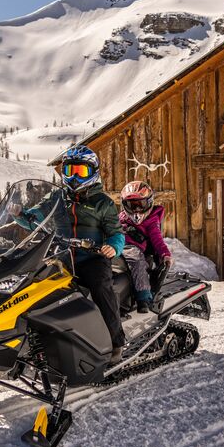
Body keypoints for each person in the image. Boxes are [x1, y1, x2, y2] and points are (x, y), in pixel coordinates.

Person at [55, 146, 127, 362]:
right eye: (70, 170)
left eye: (81, 171)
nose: (75, 177)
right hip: (61, 258)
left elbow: (116, 233)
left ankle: (116, 341)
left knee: (100, 287)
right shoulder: (57, 197)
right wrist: (19, 215)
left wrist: (113, 247)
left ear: (93, 172)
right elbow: (36, 215)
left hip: (92, 258)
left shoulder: (102, 202)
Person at [118, 181, 172, 313]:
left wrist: (165, 254)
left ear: (149, 203)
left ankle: (143, 297)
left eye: (140, 205)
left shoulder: (151, 221)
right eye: (132, 205)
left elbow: (157, 239)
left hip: (133, 249)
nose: (136, 210)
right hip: (116, 246)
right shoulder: (121, 217)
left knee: (136, 260)